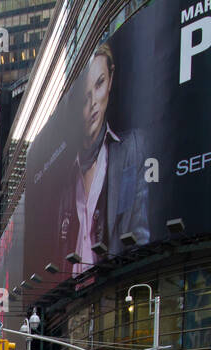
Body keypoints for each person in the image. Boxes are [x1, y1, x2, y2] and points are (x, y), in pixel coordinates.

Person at [62, 42, 150, 273]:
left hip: (116, 289)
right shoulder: (65, 176)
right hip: (73, 297)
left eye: (99, 84)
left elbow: (141, 235)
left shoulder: (132, 149)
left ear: (111, 81)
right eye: (84, 98)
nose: (92, 105)